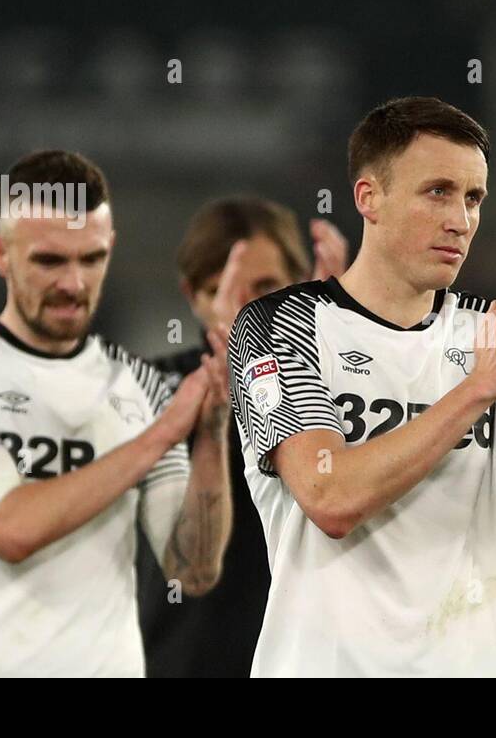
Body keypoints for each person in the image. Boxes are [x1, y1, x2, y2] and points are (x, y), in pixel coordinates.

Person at [227, 96, 496, 676]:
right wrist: (479, 386)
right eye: (438, 191)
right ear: (368, 198)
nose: (461, 219)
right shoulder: (284, 325)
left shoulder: (486, 334)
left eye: (474, 198)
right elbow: (331, 498)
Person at [0, 150, 231, 676]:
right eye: (49, 260)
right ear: (0, 254)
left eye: (91, 258)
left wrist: (210, 434)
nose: (74, 284)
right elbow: (11, 529)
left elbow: (189, 567)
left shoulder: (140, 385)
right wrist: (161, 435)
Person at [139, 196, 347, 676]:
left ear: (300, 284)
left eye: (266, 287)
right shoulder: (155, 390)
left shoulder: (339, 386)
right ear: (194, 298)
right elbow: (187, 564)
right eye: (220, 290)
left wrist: (339, 338)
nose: (242, 308)